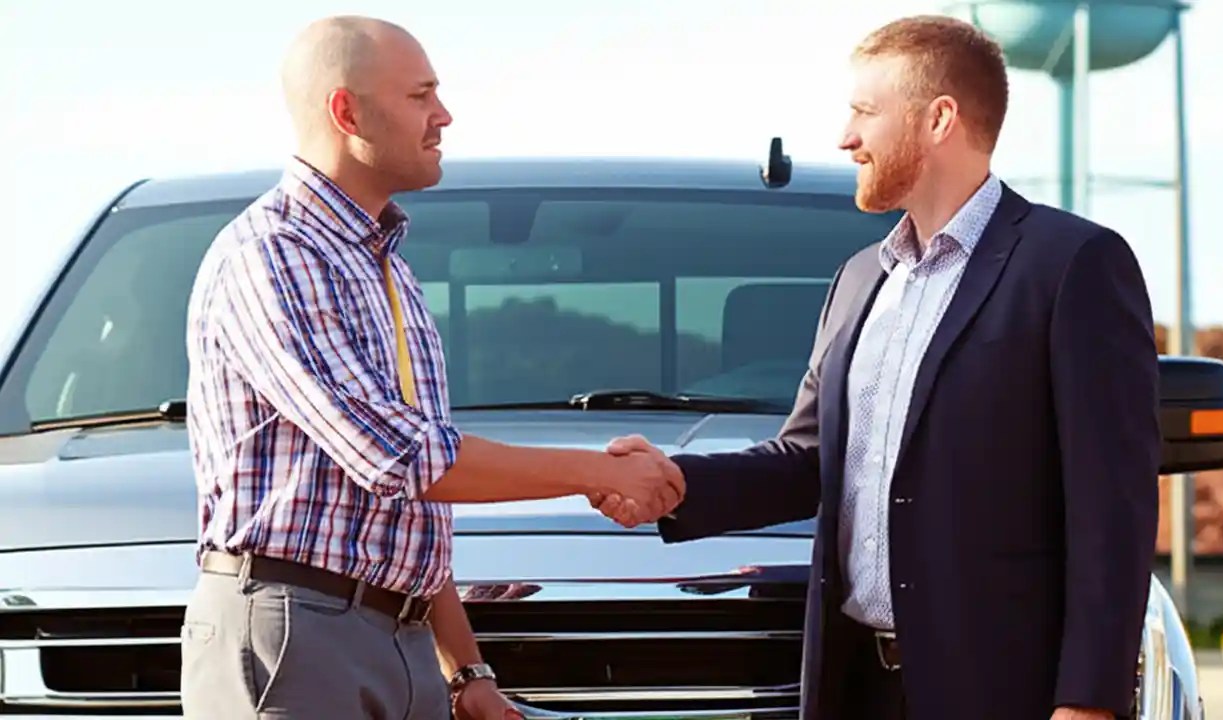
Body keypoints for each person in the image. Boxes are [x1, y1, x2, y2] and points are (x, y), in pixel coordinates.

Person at [598, 14, 1160, 720]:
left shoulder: (1071, 266)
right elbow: (810, 459)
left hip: (1003, 694)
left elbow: (1113, 507)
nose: (845, 137)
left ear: (939, 119)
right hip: (857, 687)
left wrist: (1088, 703)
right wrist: (676, 484)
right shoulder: (861, 279)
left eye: (864, 111)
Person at [180, 15, 683, 720]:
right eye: (421, 95)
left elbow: (411, 500)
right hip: (298, 637)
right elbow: (399, 459)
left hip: (400, 642)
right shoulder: (276, 255)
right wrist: (600, 471)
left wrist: (464, 668)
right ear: (346, 110)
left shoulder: (385, 269)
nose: (444, 116)